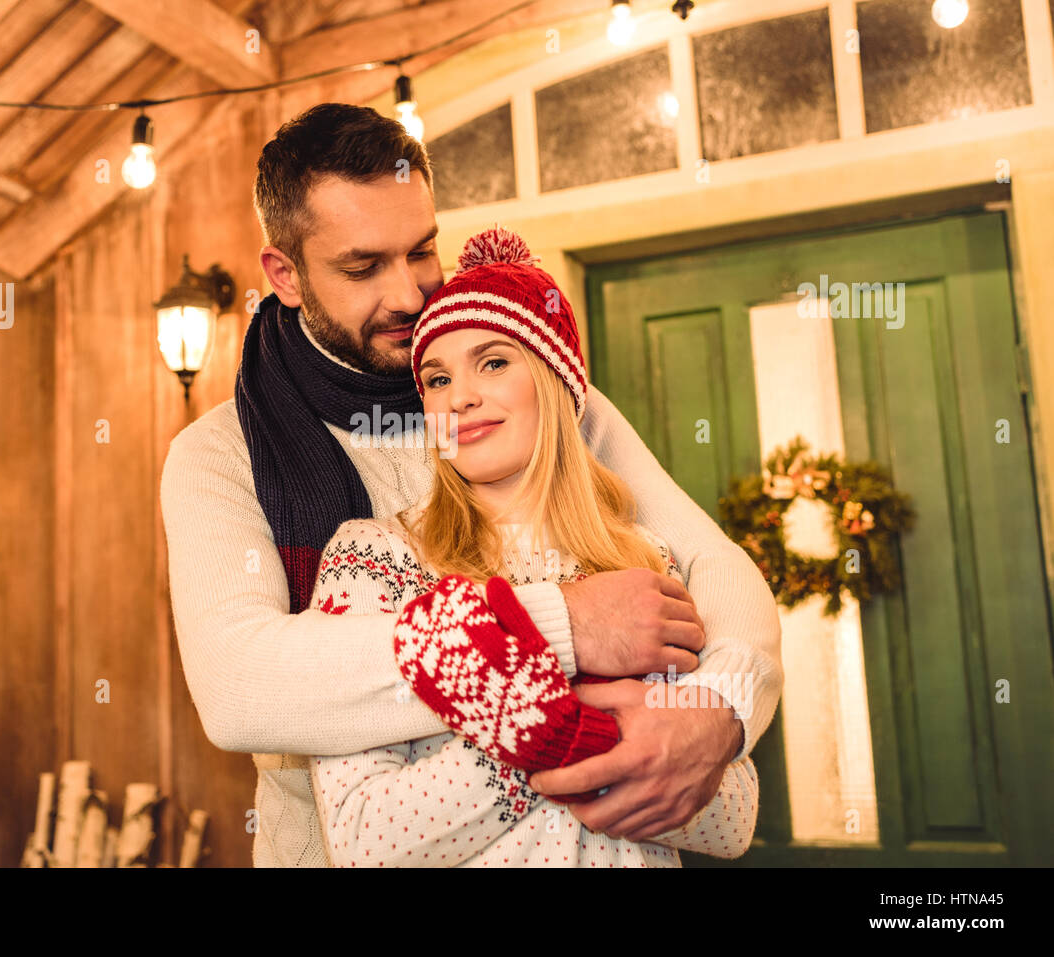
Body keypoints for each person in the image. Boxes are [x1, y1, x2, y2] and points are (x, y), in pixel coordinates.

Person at [159, 102, 783, 867]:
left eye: (422, 249)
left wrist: (720, 711)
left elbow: (713, 567)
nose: (412, 293)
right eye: (363, 266)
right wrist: (561, 632)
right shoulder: (220, 456)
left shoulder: (542, 403)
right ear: (284, 274)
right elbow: (239, 687)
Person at [307, 225, 760, 866]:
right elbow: (363, 841)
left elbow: (733, 818)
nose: (460, 396)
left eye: (493, 362)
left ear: (553, 380)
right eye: (436, 380)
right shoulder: (376, 560)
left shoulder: (641, 561)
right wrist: (553, 724)